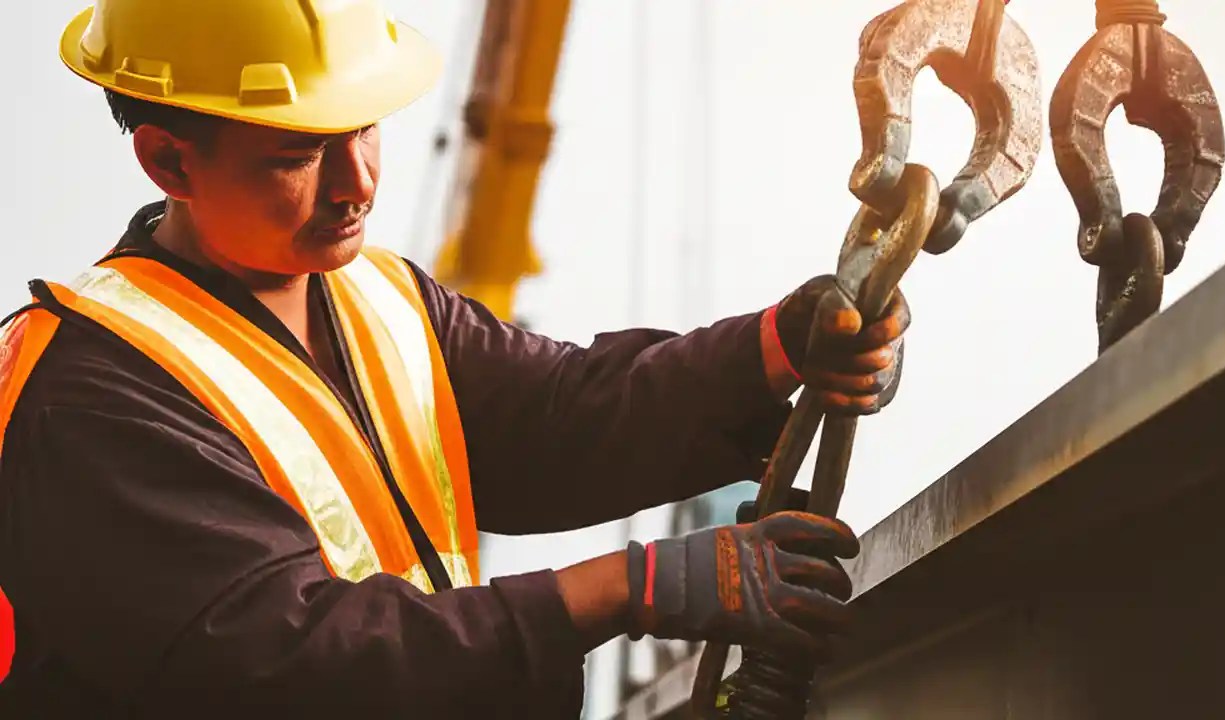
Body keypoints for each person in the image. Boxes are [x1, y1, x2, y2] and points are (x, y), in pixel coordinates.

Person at [0, 1, 910, 717]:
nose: (356, 184)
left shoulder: (380, 297)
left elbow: (562, 418)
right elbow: (282, 663)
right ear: (168, 160)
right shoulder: (86, 388)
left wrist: (775, 353)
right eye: (299, 155)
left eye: (366, 130)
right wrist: (626, 588)